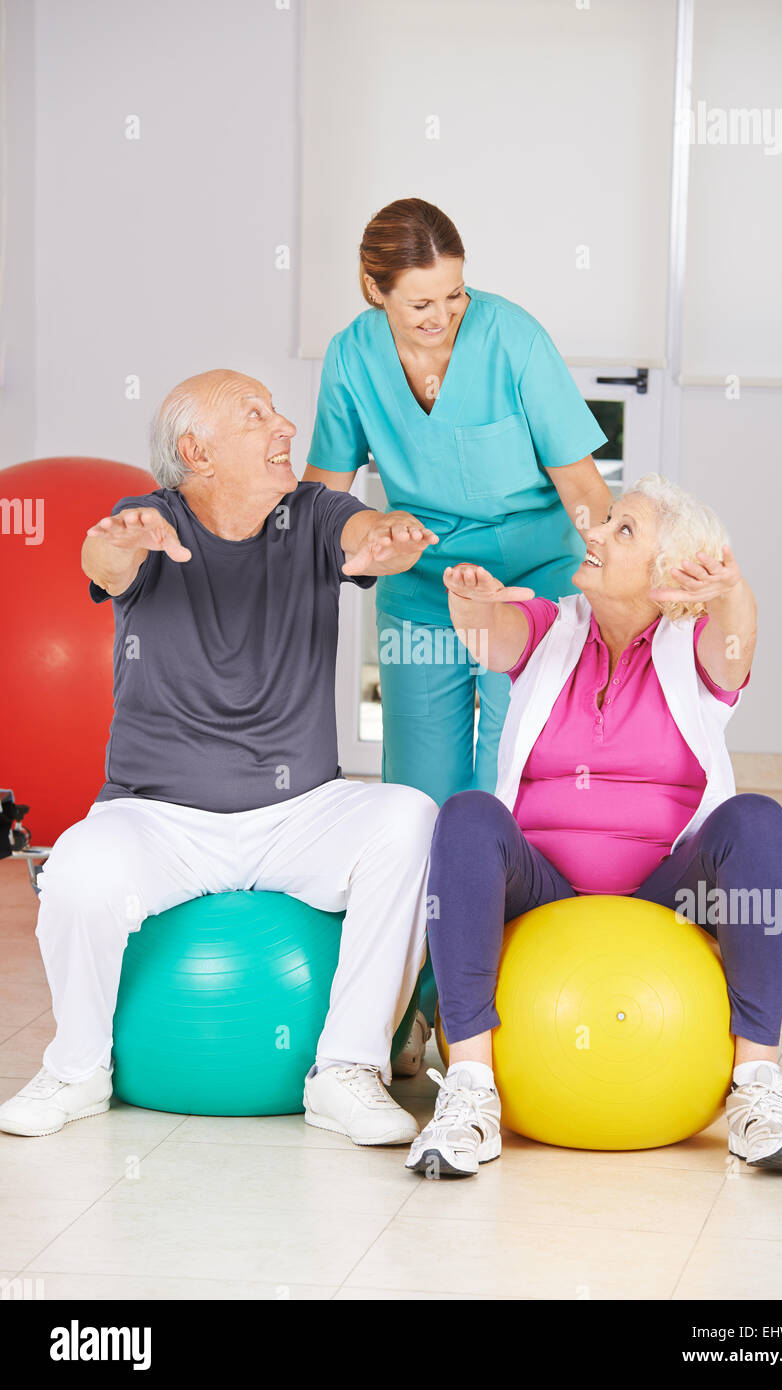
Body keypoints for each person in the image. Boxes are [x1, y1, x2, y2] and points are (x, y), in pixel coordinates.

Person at [0, 369, 440, 1147]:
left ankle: (346, 1069)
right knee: (74, 870)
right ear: (196, 450)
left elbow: (364, 537)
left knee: (409, 818)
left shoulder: (312, 513)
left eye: (276, 412)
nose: (283, 428)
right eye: (256, 416)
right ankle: (76, 1071)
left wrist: (388, 536)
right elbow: (105, 563)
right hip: (157, 818)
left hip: (300, 813)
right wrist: (113, 543)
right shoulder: (147, 520)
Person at [406, 474, 782, 1177]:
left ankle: (756, 1090)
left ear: (664, 574)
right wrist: (468, 603)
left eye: (620, 529)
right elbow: (493, 637)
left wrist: (726, 591)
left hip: (666, 897)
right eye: (602, 522)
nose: (591, 532)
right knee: (467, 816)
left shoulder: (693, 648)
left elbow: (736, 639)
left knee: (755, 820)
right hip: (539, 891)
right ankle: (471, 1092)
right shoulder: (554, 627)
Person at [303, 196, 611, 807]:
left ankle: (507, 901)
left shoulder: (512, 339)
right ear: (375, 289)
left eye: (455, 294)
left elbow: (580, 485)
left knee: (511, 781)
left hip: (530, 587)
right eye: (421, 303)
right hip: (420, 587)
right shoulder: (351, 356)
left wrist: (619, 580)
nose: (442, 315)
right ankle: (426, 905)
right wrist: (281, 568)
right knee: (420, 793)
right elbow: (323, 491)